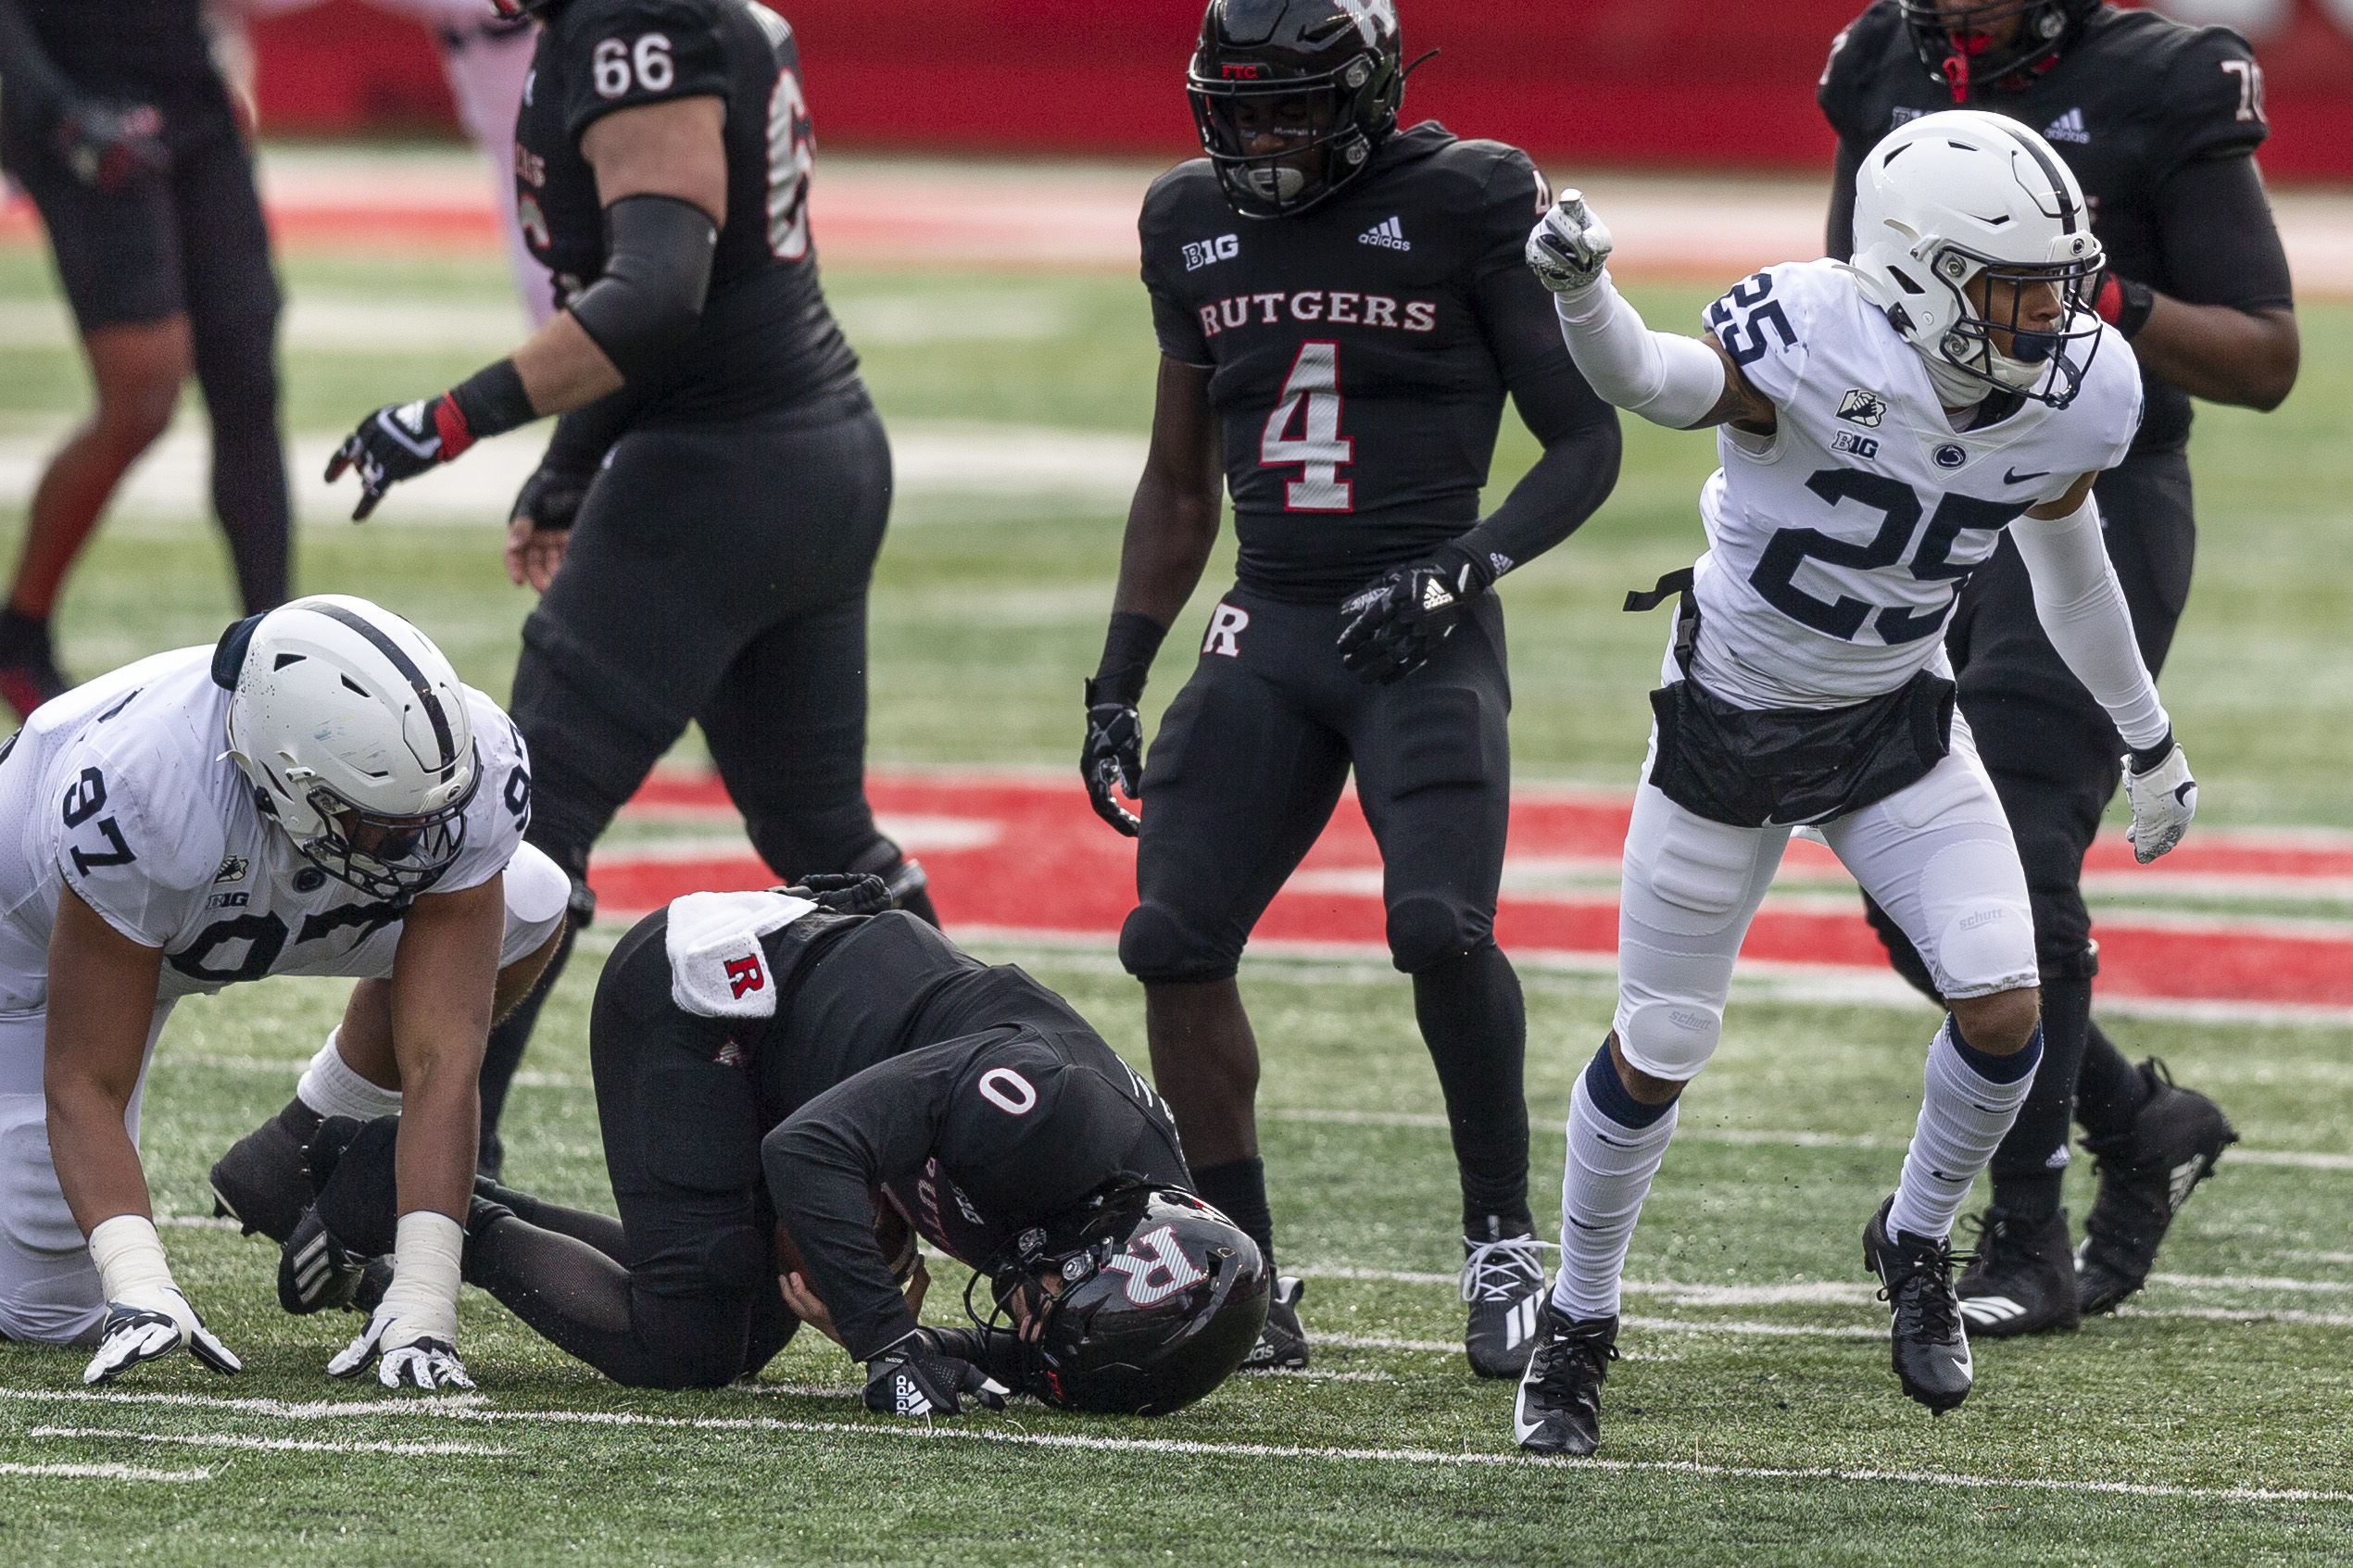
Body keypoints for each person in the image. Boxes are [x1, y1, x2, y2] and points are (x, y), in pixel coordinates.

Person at [1511, 111, 2199, 1455]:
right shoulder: (1812, 341)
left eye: (2061, 283)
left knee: (2008, 1000)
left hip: (1894, 721)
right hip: (1729, 726)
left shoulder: (2081, 387)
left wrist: (2146, 733)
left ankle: (1920, 1247)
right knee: (1659, 1047)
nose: (2049, 315)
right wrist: (1583, 290)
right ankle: (1577, 1323)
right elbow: (1651, 378)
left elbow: (2072, 567)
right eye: (2015, 287)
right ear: (1912, 276)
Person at [1083, 0, 1621, 1379]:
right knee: (1169, 938)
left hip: (1419, 622)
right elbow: (1179, 477)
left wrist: (1459, 570)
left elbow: (1582, 443)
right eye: (1240, 107)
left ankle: (1503, 1243)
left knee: (1441, 925)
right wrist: (1118, 675)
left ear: (1370, 93)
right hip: (1270, 617)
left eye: (1291, 108)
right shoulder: (1185, 222)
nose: (1261, 138)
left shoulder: (1469, 196)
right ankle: (1236, 1264)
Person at [316, 0, 935, 1182]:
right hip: (803, 453)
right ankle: (992, 1091)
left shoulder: (632, 22)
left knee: (515, 829)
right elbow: (661, 300)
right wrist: (568, 463)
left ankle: (421, 1164)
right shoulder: (654, 19)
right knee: (826, 843)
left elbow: (654, 294)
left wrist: (446, 420)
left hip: (717, 476)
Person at [1818, 0, 2296, 1335]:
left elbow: (2267, 356)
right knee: (1909, 877)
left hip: (2096, 491)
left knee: (2020, 855)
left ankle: (2025, 1237)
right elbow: (1844, 303)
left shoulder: (2160, 75)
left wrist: (2084, 293)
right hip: (1923, 496)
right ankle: (2140, 1119)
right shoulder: (1881, 61)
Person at [286, 880, 1270, 1417]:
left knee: (748, 1322)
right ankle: (418, 1198)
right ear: (1099, 1246)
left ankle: (436, 1192)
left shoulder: (1129, 1218)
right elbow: (808, 1150)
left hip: (798, 1047)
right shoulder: (1046, 1116)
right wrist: (886, 1338)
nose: (1028, 1310)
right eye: (1051, 1303)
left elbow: (1036, 1342)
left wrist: (942, 1345)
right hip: (718, 997)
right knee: (688, 1337)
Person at [0, 595, 565, 1389]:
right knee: (50, 1311)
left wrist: (425, 1295)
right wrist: (140, 1288)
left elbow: (444, 1056)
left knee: (533, 902)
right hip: (47, 941)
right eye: (388, 826)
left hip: (267, 889)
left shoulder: (463, 776)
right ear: (290, 782)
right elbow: (84, 1079)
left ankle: (302, 1144)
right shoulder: (143, 789)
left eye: (431, 816)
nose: (424, 846)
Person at [0, 0, 292, 718]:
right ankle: (19, 630)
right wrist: (53, 107)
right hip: (81, 94)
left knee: (248, 378)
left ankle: (280, 653)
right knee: (143, 394)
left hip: (187, 87)